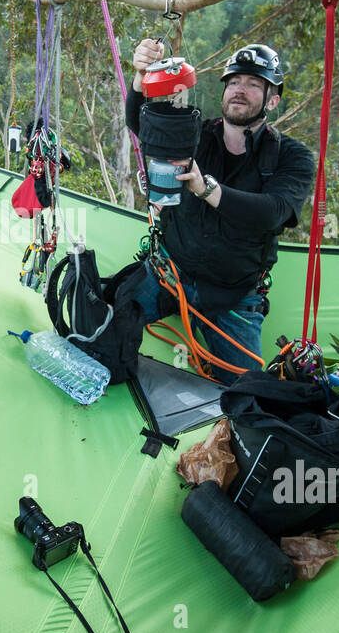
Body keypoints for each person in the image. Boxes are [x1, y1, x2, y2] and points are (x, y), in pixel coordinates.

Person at [126, 40, 315, 383]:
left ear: (272, 100)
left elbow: (274, 211)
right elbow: (142, 124)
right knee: (102, 328)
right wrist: (142, 78)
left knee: (247, 393)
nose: (240, 90)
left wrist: (206, 189)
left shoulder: (292, 157)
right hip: (169, 273)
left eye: (254, 84)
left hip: (232, 296)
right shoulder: (196, 133)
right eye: (234, 81)